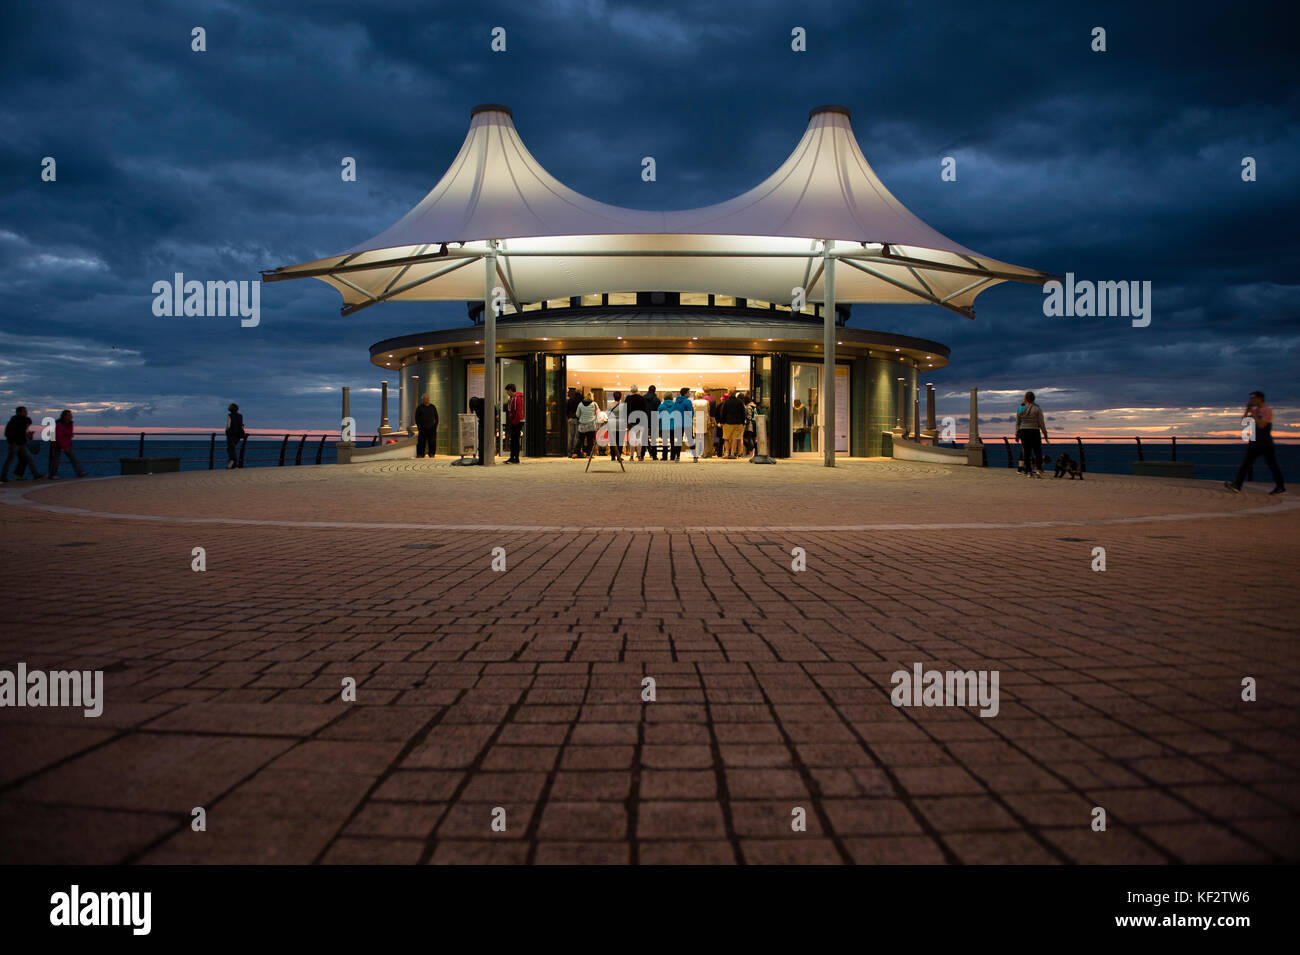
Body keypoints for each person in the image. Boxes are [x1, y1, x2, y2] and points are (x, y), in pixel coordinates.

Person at [1226, 390, 1286, 494]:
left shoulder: (1267, 410)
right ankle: (1237, 485)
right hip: (1255, 442)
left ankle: (1280, 486)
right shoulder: (1255, 410)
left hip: (1265, 443)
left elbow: (1262, 425)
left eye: (1253, 398)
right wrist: (1248, 409)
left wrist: (1254, 414)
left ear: (1259, 398)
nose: (1251, 400)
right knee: (1246, 464)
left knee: (1273, 465)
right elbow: (1245, 421)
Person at [1, 406, 44, 482]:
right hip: (15, 444)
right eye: (24, 411)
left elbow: (23, 432)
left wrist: (28, 435)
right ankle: (3, 476)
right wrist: (13, 441)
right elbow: (7, 433)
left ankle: (36, 475)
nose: (26, 413)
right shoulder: (13, 422)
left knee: (29, 459)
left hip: (22, 443)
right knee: (10, 460)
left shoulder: (23, 422)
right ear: (19, 412)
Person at [1015, 391, 1048, 477]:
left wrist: (1017, 433)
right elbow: (1041, 422)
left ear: (1025, 398)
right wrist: (1045, 433)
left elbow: (1017, 423)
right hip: (1034, 431)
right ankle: (1038, 469)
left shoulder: (1020, 408)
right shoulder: (1037, 408)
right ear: (1034, 398)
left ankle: (1028, 471)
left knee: (1026, 452)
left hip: (1023, 431)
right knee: (1037, 451)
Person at [48, 410, 88, 479]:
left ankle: (80, 472)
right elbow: (59, 436)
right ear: (65, 416)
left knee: (73, 457)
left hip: (65, 442)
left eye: (71, 415)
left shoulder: (70, 424)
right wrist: (65, 447)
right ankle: (52, 475)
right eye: (69, 415)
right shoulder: (59, 425)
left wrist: (69, 440)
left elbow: (67, 435)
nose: (71, 416)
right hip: (56, 443)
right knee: (56, 459)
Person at [667, 388, 693, 462]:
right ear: (685, 393)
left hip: (678, 422)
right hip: (687, 422)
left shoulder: (676, 402)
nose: (690, 393)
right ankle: (695, 456)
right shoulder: (687, 401)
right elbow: (690, 412)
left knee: (678, 440)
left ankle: (677, 457)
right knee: (690, 439)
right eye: (689, 392)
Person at [719, 390, 747, 459]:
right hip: (738, 423)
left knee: (726, 438)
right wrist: (743, 422)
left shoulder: (726, 402)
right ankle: (732, 453)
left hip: (728, 423)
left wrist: (722, 422)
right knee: (735, 438)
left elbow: (723, 413)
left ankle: (726, 453)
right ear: (735, 394)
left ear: (729, 394)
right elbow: (743, 413)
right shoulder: (740, 402)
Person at [504, 383, 524, 463]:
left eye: (507, 391)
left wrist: (514, 422)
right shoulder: (513, 398)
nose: (507, 393)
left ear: (510, 390)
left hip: (517, 422)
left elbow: (518, 411)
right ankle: (512, 457)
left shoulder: (516, 398)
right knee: (513, 440)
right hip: (515, 421)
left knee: (515, 440)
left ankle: (516, 458)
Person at [414, 394, 439, 459]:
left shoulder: (432, 407)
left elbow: (436, 417)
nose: (426, 400)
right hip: (422, 428)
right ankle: (421, 454)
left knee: (432, 442)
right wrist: (419, 426)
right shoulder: (420, 407)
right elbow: (417, 418)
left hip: (432, 428)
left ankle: (432, 454)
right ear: (422, 400)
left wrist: (435, 426)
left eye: (427, 399)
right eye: (425, 399)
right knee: (421, 442)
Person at [606, 391, 627, 464]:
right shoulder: (623, 406)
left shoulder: (610, 405)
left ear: (613, 397)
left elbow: (607, 415)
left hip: (612, 424)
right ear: (620, 397)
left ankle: (612, 456)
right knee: (620, 441)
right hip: (621, 424)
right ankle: (619, 455)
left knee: (612, 441)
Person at [574, 392, 598, 457]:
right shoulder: (594, 404)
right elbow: (598, 413)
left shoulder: (580, 404)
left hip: (582, 425)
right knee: (590, 441)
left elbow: (577, 414)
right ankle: (589, 455)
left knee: (580, 440)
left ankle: (576, 453)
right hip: (591, 425)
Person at [225, 403, 246, 469]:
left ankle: (233, 462)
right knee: (232, 449)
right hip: (238, 435)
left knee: (230, 449)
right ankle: (234, 463)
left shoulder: (230, 416)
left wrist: (227, 432)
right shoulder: (240, 416)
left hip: (231, 435)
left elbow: (228, 426)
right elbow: (242, 425)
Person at [644, 385, 661, 460]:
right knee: (654, 438)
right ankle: (654, 455)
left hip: (644, 418)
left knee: (644, 437)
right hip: (654, 419)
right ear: (655, 390)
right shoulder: (657, 400)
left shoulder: (643, 398)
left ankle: (642, 454)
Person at [691, 390, 710, 461]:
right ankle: (704, 452)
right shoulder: (706, 402)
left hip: (696, 419)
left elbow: (692, 411)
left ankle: (697, 452)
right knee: (703, 436)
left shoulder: (694, 402)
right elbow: (708, 411)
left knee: (697, 436)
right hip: (704, 419)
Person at [565, 387, 582, 458]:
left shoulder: (570, 399)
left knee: (571, 436)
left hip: (571, 419)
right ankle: (576, 452)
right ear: (580, 392)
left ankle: (569, 453)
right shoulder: (581, 399)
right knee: (577, 437)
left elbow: (567, 409)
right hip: (578, 419)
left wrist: (568, 417)